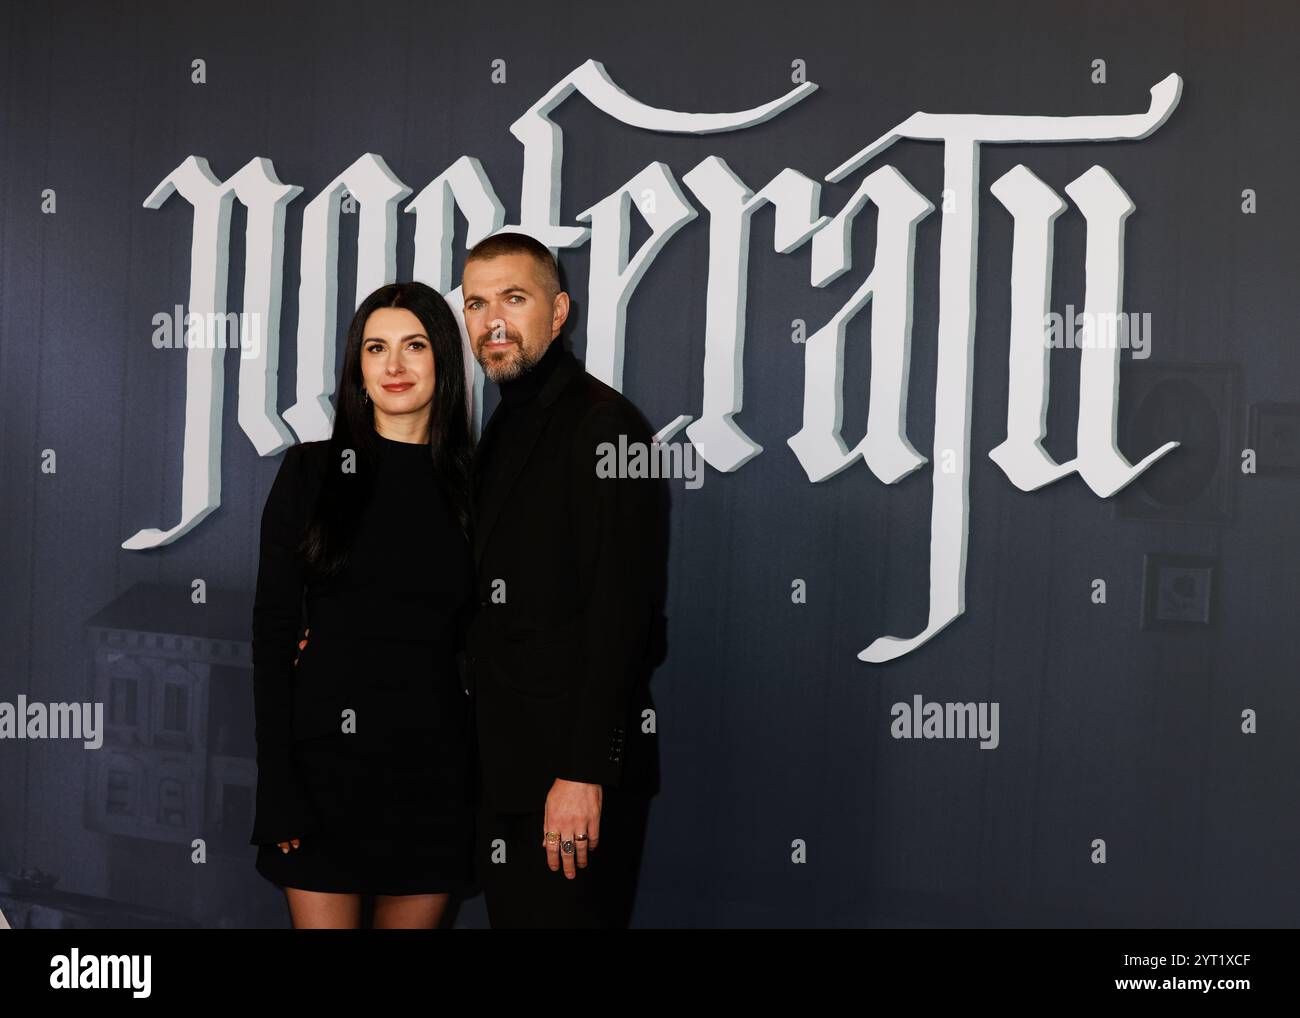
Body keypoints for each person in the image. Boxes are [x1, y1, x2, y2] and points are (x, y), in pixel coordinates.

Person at [249, 281, 478, 929]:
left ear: (444, 362)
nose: (394, 366)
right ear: (357, 366)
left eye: (415, 346)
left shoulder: (478, 488)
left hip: (434, 777)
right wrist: (277, 792)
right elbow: (271, 637)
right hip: (322, 773)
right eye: (376, 348)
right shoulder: (310, 472)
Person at [462, 231, 666, 928]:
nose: (492, 320)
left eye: (513, 299)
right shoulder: (503, 421)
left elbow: (624, 617)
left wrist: (584, 773)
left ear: (559, 312)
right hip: (505, 777)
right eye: (476, 303)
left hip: (569, 782)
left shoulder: (607, 426)